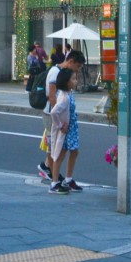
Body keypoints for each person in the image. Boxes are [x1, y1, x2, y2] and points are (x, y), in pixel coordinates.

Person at [39, 49, 85, 183]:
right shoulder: (55, 71)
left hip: (60, 115)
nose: (77, 70)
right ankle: (54, 177)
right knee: (54, 145)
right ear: (71, 62)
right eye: (77, 66)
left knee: (57, 145)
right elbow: (52, 96)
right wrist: (58, 121)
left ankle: (50, 170)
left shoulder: (65, 73)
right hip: (52, 113)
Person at [46, 68, 84, 195]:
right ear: (67, 82)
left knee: (74, 151)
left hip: (71, 128)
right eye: (73, 79)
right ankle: (54, 183)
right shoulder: (64, 97)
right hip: (66, 130)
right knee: (60, 155)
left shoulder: (68, 94)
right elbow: (53, 112)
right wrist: (60, 126)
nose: (75, 81)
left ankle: (68, 179)